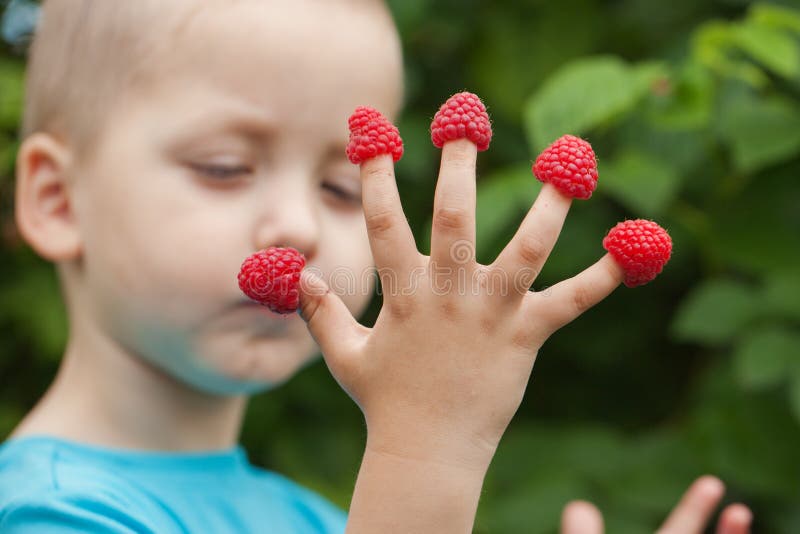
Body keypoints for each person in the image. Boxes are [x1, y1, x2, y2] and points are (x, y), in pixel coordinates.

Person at [0, 0, 752, 532]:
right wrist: (429, 446)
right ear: (58, 200)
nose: (298, 224)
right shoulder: (53, 514)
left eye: (339, 185)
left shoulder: (321, 520)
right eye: (224, 166)